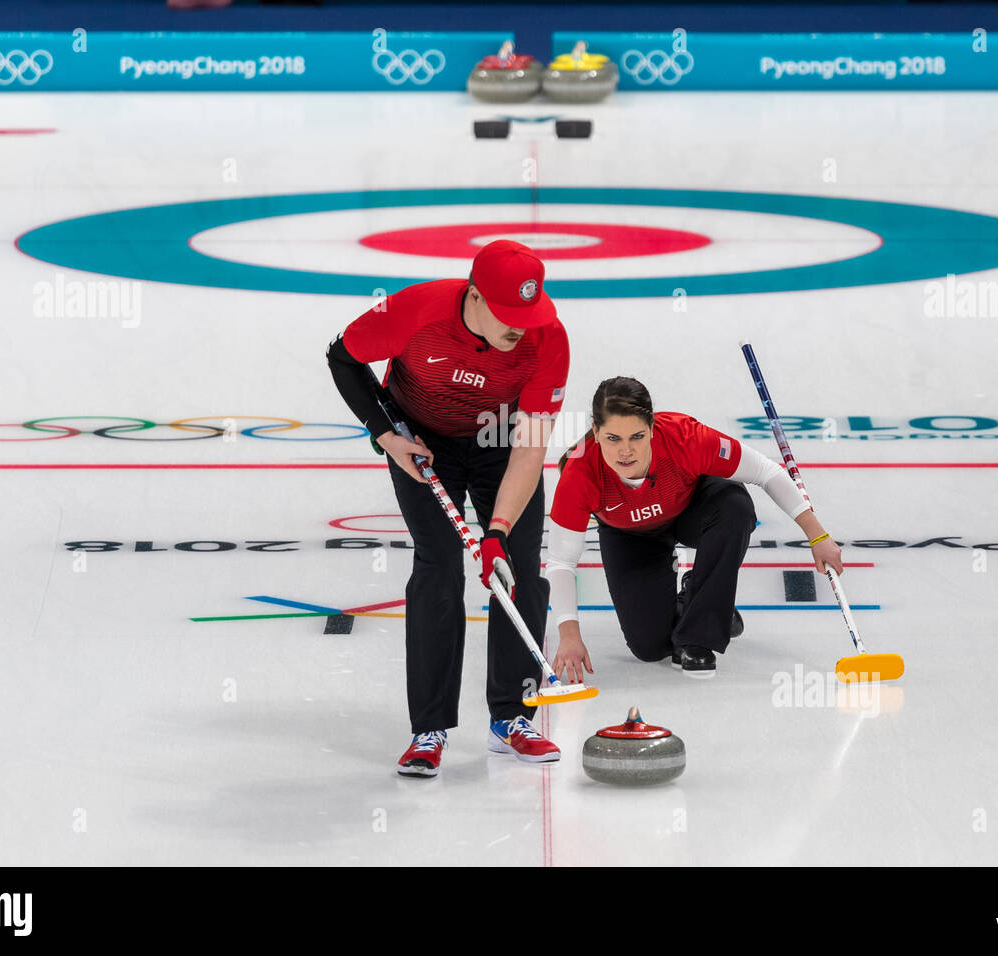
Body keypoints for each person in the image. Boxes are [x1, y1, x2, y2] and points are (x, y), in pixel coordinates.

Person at [326, 240, 570, 777]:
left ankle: (513, 717)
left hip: (500, 442)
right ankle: (428, 729)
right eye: (509, 316)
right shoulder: (416, 312)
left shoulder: (548, 339)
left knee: (519, 568)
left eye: (529, 315)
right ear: (475, 297)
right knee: (438, 567)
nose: (520, 329)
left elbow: (531, 448)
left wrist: (499, 531)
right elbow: (342, 356)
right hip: (421, 441)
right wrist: (387, 435)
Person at [546, 376, 843, 679]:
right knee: (649, 647)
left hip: (691, 510)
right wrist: (569, 635)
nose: (626, 451)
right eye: (613, 439)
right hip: (631, 535)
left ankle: (700, 637)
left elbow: (766, 472)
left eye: (636, 436)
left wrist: (817, 535)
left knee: (735, 507)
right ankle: (697, 598)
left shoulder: (684, 437)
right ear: (595, 432)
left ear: (651, 429)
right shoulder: (580, 473)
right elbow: (560, 562)